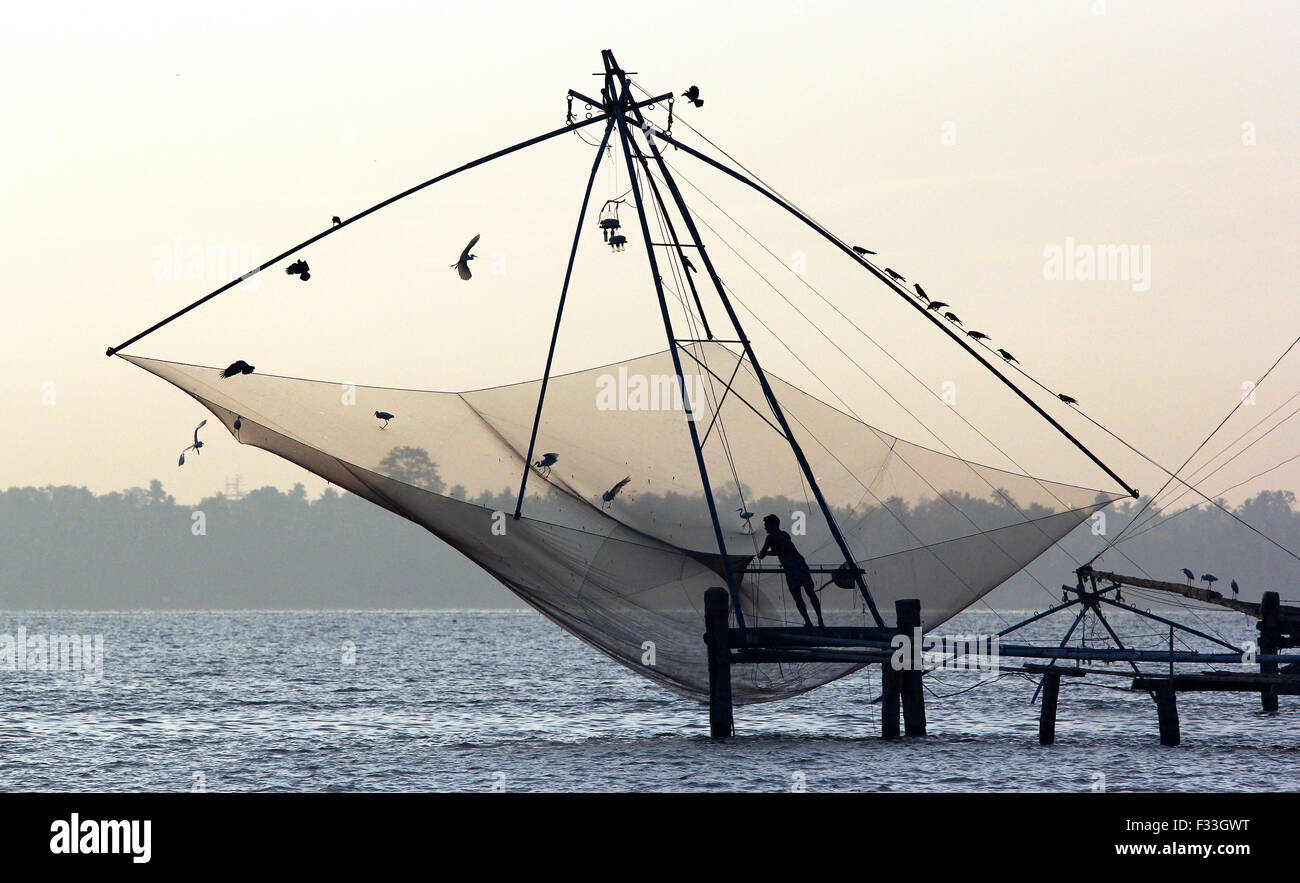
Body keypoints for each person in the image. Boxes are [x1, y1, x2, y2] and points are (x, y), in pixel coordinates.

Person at [758, 514, 824, 628]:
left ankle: (808, 622)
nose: (765, 528)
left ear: (772, 525)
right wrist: (770, 552)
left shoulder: (770, 538)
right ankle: (820, 621)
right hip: (799, 561)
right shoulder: (785, 534)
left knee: (797, 596)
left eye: (766, 525)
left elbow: (762, 555)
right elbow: (781, 550)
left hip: (790, 565)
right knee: (810, 592)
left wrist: (760, 554)